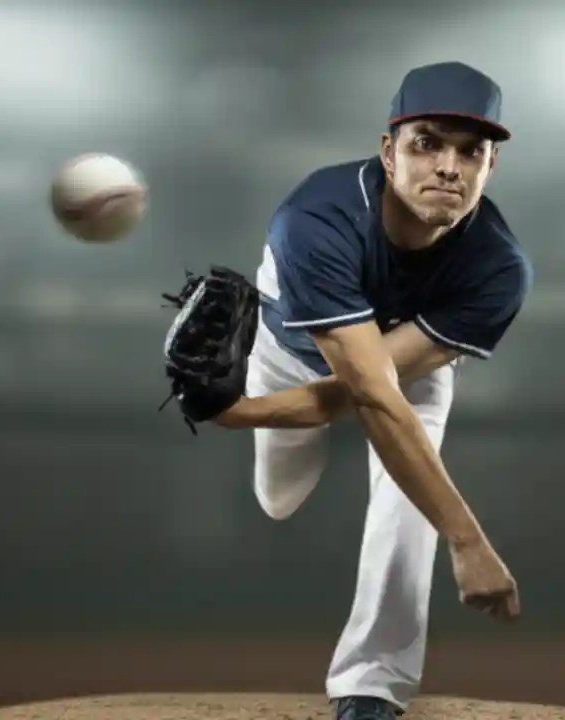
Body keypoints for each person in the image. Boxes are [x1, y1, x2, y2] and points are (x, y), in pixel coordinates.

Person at [173, 61, 533, 720]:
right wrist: (247, 411)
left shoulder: (499, 268)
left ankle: (371, 683)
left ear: (490, 169)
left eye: (471, 150)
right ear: (389, 152)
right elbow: (360, 390)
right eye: (428, 142)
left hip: (403, 368)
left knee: (413, 487)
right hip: (288, 357)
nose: (450, 165)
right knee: (278, 498)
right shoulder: (317, 217)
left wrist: (460, 536)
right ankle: (290, 453)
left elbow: (376, 390)